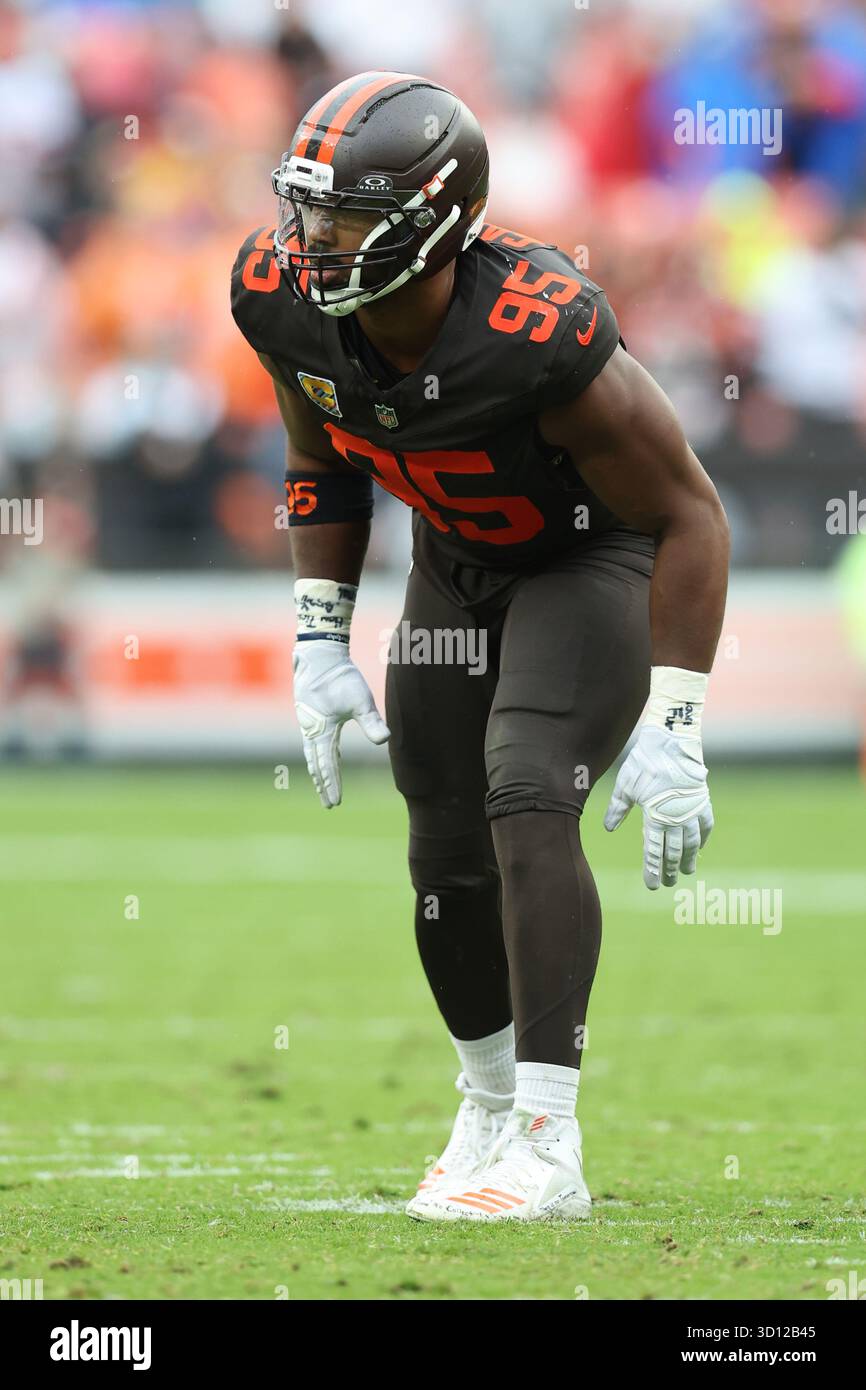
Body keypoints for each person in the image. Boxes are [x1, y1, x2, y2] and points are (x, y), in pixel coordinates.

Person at [231, 71, 730, 1222]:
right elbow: (320, 455)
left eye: (346, 212)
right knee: (440, 842)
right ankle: (489, 1104)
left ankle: (550, 1140)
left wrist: (676, 714)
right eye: (306, 205)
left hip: (587, 558)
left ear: (430, 222)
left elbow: (689, 511)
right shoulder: (280, 296)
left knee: (524, 792)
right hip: (453, 567)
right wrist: (319, 635)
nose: (313, 236)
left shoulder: (536, 329)